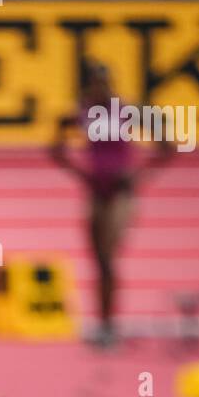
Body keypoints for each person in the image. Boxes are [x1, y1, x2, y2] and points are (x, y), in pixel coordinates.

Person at [51, 59, 172, 347]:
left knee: (107, 259)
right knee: (98, 261)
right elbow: (55, 149)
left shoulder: (128, 111)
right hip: (96, 192)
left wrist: (139, 174)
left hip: (120, 194)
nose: (100, 89)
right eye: (94, 83)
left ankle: (110, 326)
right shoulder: (83, 113)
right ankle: (103, 324)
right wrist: (82, 174)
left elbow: (168, 145)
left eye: (103, 83)